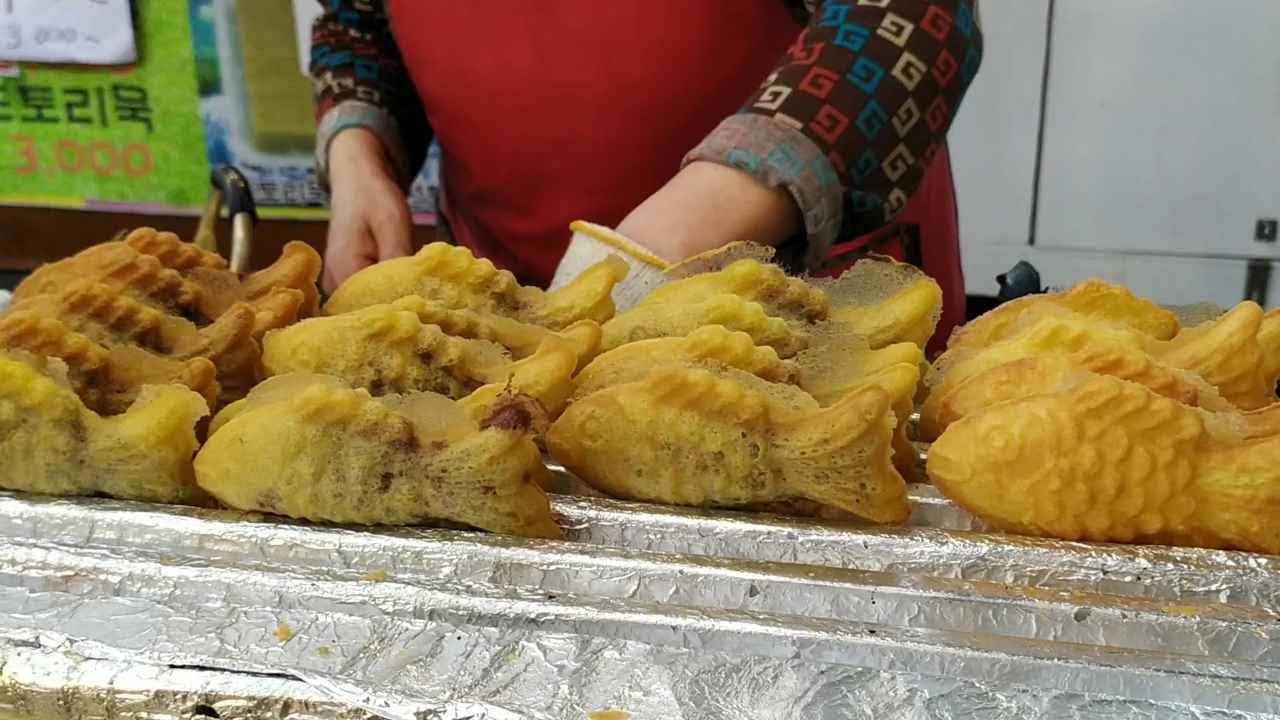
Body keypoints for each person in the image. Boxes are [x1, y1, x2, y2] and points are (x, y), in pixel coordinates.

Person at [312, 1, 982, 341]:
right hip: (509, 290)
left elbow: (914, 14)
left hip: (796, 296)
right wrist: (358, 158)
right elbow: (359, 22)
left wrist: (685, 229)